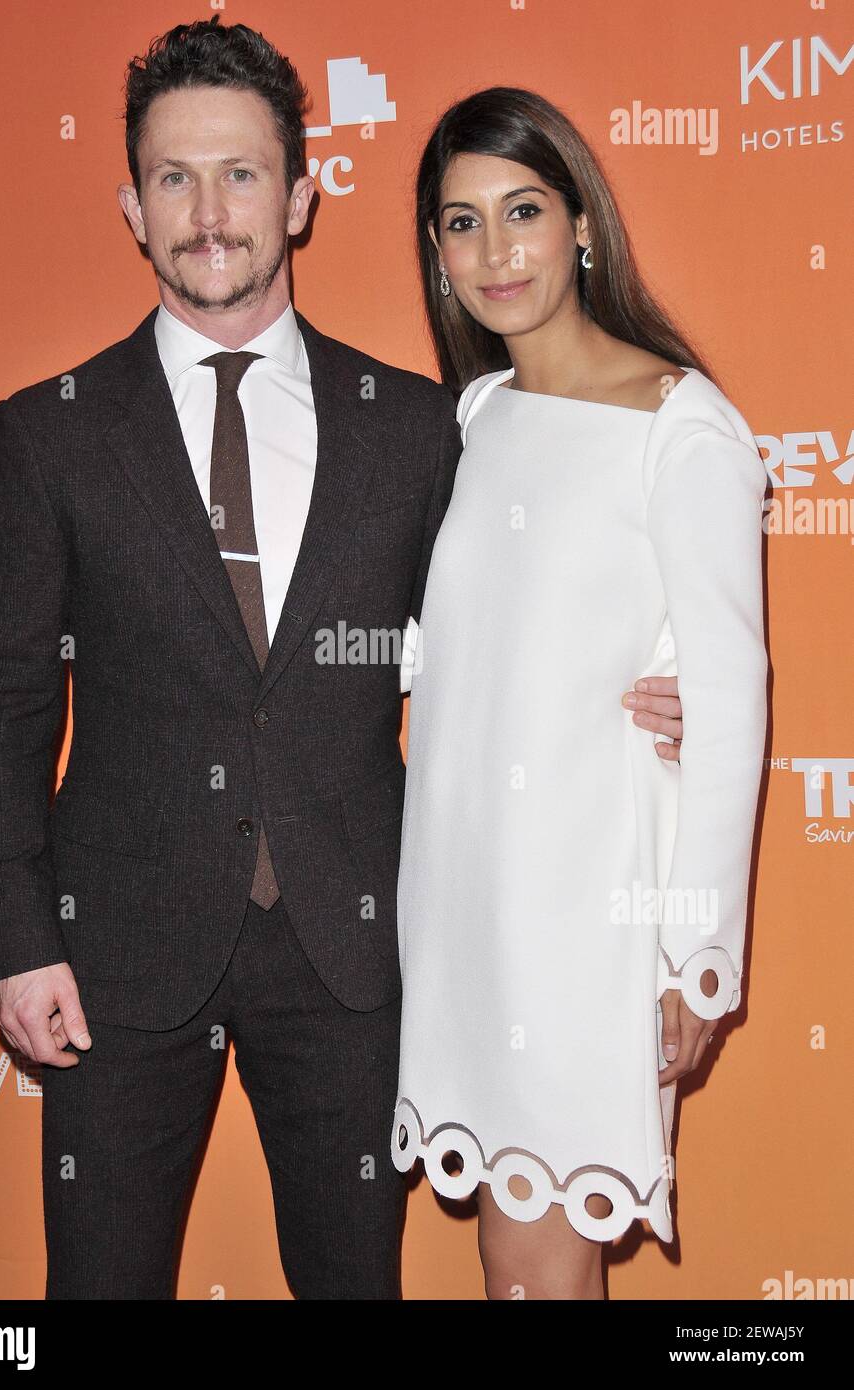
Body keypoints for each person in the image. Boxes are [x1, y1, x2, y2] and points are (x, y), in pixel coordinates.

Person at [0, 21, 683, 1300]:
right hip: (113, 953)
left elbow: (490, 634)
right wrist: (16, 939)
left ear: (299, 196)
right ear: (130, 205)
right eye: (174, 178)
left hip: (356, 948)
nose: (209, 212)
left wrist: (636, 695)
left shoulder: (413, 427)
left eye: (239, 175)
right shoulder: (51, 434)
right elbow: (0, 697)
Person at [392, 87, 768, 1300]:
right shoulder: (475, 416)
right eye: (459, 224)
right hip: (467, 903)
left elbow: (731, 703)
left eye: (522, 212)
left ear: (582, 226)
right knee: (521, 1261)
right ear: (437, 255)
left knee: (538, 1261)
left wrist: (695, 957)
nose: (495, 253)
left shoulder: (682, 427)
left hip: (592, 912)